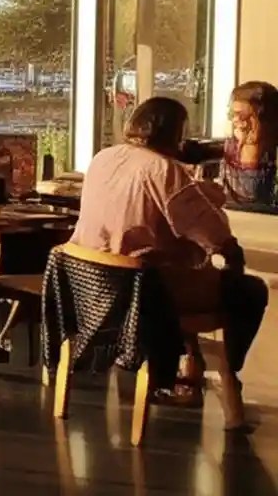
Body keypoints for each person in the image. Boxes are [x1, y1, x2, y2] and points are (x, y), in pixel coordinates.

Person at [71, 97, 268, 409]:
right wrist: (230, 248)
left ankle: (187, 366)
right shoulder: (163, 169)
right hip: (142, 293)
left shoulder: (103, 158)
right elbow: (207, 228)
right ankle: (228, 372)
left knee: (178, 266)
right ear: (175, 132)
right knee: (250, 291)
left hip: (92, 285)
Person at [221, 81, 278, 209]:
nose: (236, 121)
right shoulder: (230, 148)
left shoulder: (272, 153)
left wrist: (251, 148)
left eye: (242, 116)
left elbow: (251, 195)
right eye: (233, 114)